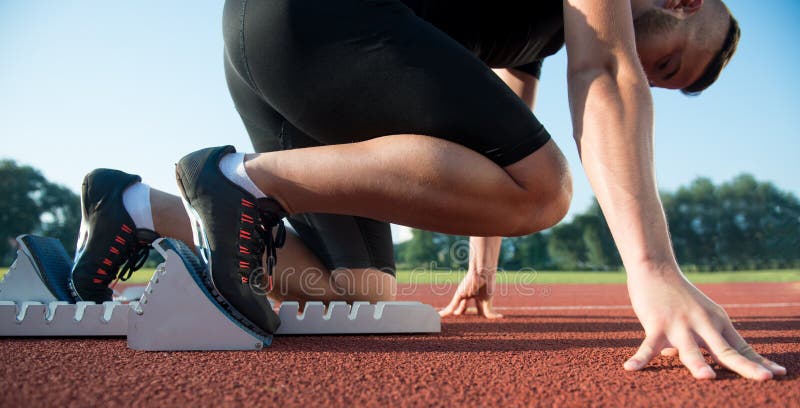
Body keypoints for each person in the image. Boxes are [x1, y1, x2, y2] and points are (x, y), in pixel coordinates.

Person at [69, 0, 785, 381]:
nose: (652, 77)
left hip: (269, 40)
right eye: (669, 65)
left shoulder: (537, 31)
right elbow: (606, 72)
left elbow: (500, 140)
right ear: (684, 2)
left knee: (355, 290)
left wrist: (482, 271)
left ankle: (135, 209)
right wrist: (652, 268)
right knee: (548, 191)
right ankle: (243, 180)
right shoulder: (599, 23)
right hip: (328, 23)